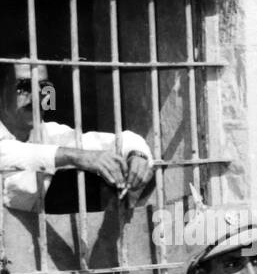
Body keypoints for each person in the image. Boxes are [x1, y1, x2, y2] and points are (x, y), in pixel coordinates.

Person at [0, 59, 153, 211]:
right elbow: (8, 153)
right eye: (25, 86)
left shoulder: (49, 134)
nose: (37, 97)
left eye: (44, 87)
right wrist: (76, 156)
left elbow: (118, 141)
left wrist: (137, 155)